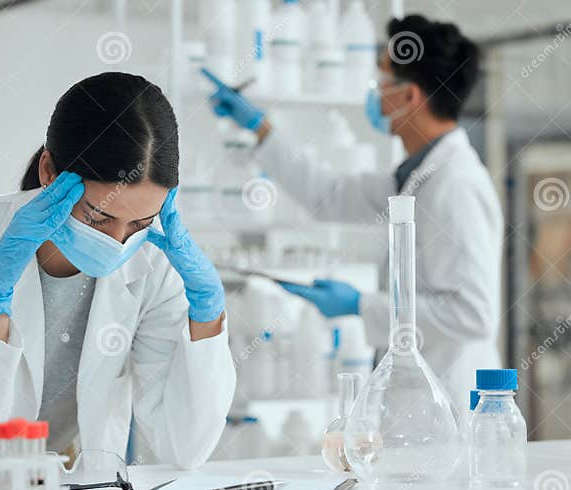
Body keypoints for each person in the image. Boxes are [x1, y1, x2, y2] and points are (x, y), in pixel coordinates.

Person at [0, 72, 235, 469]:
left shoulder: (155, 263)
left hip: (79, 483)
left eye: (140, 223)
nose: (118, 242)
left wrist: (207, 316)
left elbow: (184, 447)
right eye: (98, 217)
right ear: (49, 172)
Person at [203, 15, 502, 414]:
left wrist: (360, 304)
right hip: (421, 400)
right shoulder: (417, 176)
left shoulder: (456, 185)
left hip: (450, 399)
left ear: (410, 96)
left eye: (382, 81)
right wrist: (260, 127)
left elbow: (473, 314)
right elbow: (329, 195)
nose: (374, 92)